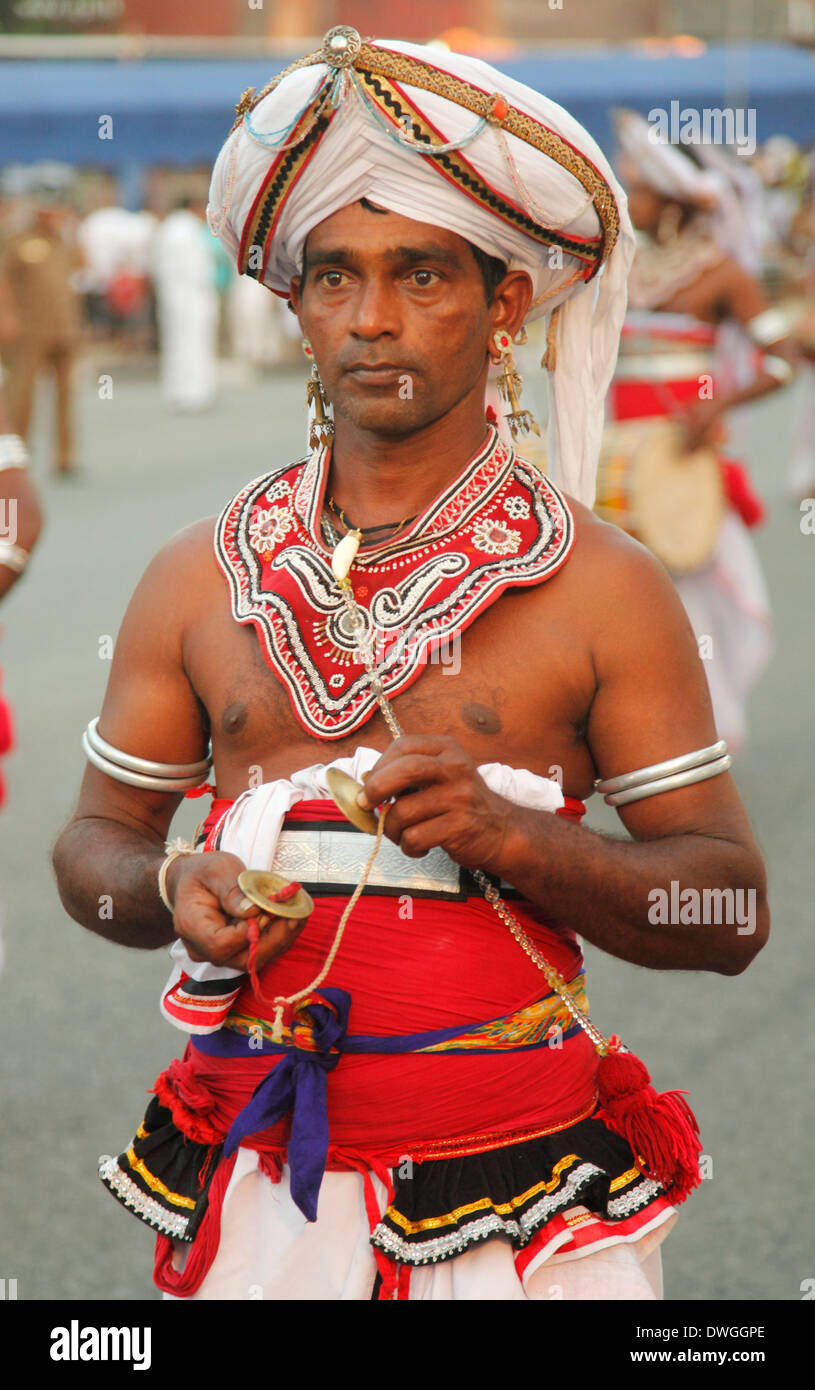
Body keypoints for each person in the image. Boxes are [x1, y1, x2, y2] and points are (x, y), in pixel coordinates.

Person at [53, 31, 768, 1302]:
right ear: (294, 302)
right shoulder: (194, 574)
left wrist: (521, 839)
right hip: (259, 1188)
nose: (370, 319)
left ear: (504, 303)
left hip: (527, 1198)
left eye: (421, 275)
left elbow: (728, 912)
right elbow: (94, 844)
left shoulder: (602, 586)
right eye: (335, 277)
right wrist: (170, 883)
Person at [611, 110, 799, 752]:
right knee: (627, 597)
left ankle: (708, 735)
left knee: (692, 596)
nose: (625, 195)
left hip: (683, 465)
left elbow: (784, 360)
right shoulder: (615, 270)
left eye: (636, 185)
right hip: (618, 462)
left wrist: (715, 411)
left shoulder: (719, 274)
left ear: (673, 201)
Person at [0, 182, 84, 476]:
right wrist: (5, 317)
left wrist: (72, 231)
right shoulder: (18, 240)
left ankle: (65, 455)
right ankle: (14, 456)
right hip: (28, 330)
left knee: (65, 395)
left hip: (63, 328)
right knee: (20, 394)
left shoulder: (63, 241)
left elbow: (82, 268)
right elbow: (3, 281)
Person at [152, 196, 219, 411]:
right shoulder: (186, 230)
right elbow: (196, 268)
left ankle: (178, 389)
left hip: (172, 293)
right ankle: (195, 391)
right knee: (193, 342)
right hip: (190, 294)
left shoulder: (170, 227)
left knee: (176, 342)